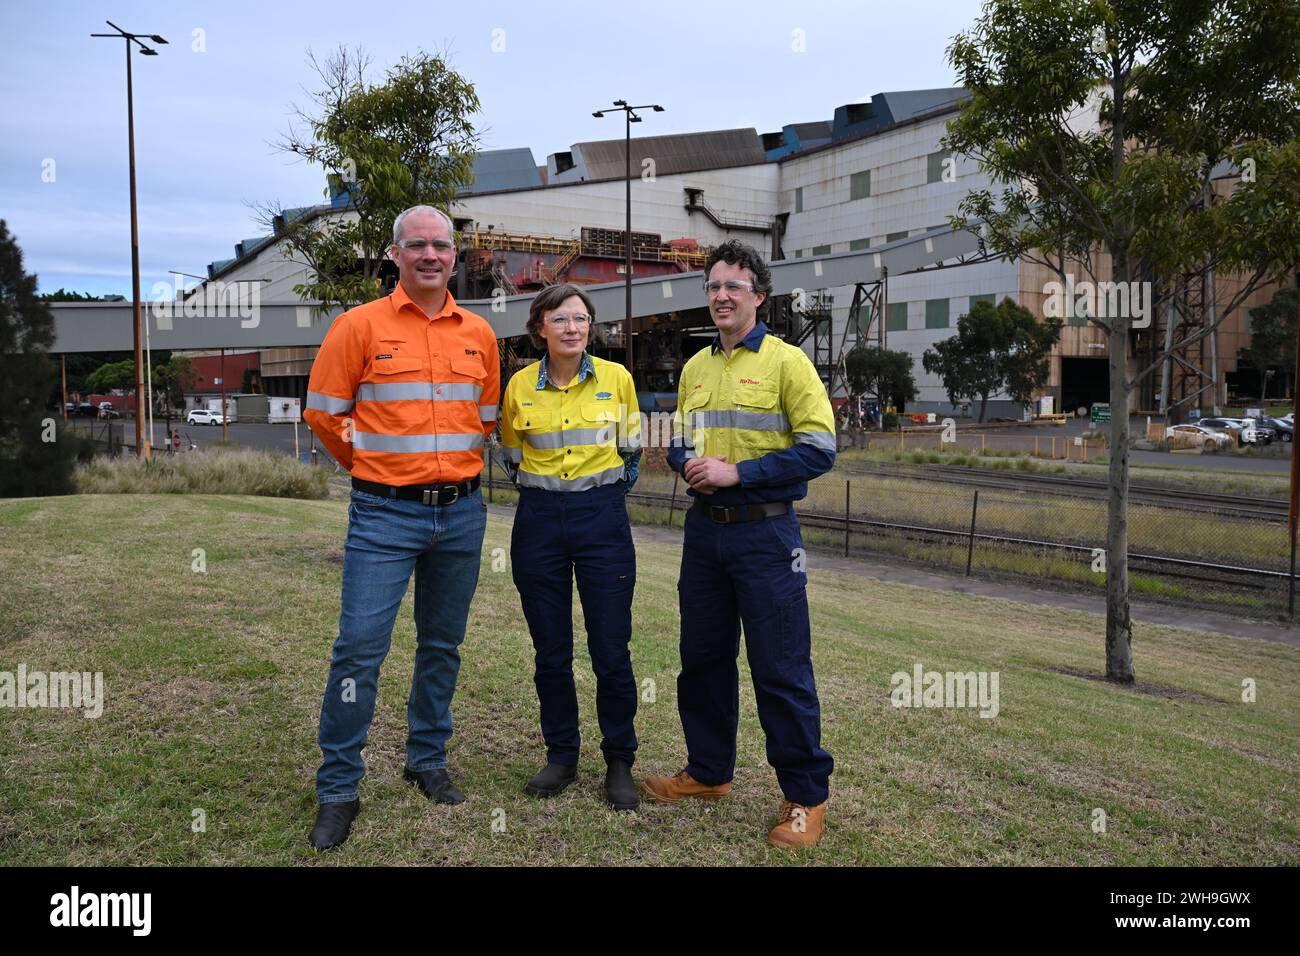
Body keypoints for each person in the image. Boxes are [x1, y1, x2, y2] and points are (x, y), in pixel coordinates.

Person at [302, 204, 500, 850]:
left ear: (455, 255)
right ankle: (338, 787)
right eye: (416, 245)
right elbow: (325, 415)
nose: (430, 255)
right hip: (384, 514)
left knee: (442, 646)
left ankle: (426, 759)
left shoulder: (480, 334)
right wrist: (375, 467)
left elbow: (486, 418)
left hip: (462, 514)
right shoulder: (357, 327)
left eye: (441, 245)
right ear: (394, 254)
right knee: (360, 646)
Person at [646, 239, 837, 848]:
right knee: (701, 658)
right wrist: (687, 463)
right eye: (713, 286)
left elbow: (819, 450)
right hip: (705, 534)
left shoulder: (788, 363)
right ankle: (708, 773)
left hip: (767, 533)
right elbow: (678, 440)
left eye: (734, 286)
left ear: (759, 295)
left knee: (780, 665)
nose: (722, 296)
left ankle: (805, 797)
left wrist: (739, 473)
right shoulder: (696, 368)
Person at [499, 283, 643, 810]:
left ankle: (619, 760)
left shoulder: (617, 380)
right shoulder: (517, 387)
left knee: (610, 648)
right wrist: (551, 498)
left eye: (581, 319)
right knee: (551, 651)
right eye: (560, 319)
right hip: (538, 523)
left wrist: (597, 499)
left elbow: (631, 455)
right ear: (540, 327)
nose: (572, 328)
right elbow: (512, 456)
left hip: (602, 520)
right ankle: (561, 754)